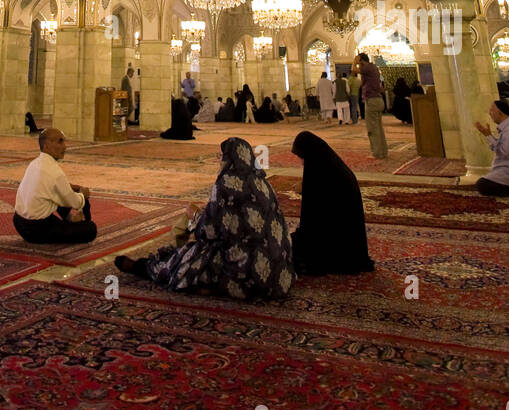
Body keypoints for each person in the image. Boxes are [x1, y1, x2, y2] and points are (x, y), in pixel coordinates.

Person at [114, 137, 295, 302]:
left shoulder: (226, 184)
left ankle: (145, 267)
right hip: (279, 277)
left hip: (248, 278)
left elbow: (208, 234)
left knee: (187, 260)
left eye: (221, 157)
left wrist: (195, 216)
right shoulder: (264, 183)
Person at [290, 132, 374, 275]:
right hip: (345, 238)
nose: (302, 162)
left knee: (292, 250)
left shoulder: (327, 172)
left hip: (339, 243)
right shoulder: (330, 166)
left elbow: (314, 220)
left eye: (302, 157)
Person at [13, 127, 96, 244]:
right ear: (46, 146)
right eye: (60, 142)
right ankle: (79, 223)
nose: (65, 147)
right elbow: (76, 202)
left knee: (59, 194)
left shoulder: (34, 163)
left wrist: (69, 187)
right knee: (90, 229)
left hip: (19, 222)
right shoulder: (55, 172)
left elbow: (52, 186)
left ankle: (70, 219)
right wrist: (83, 194)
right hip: (37, 229)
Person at [355, 53, 388, 160]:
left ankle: (377, 153)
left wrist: (354, 62)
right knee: (378, 128)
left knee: (372, 129)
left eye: (359, 60)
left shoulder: (367, 67)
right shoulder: (373, 67)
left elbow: (353, 71)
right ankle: (383, 151)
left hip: (372, 101)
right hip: (378, 100)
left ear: (361, 60)